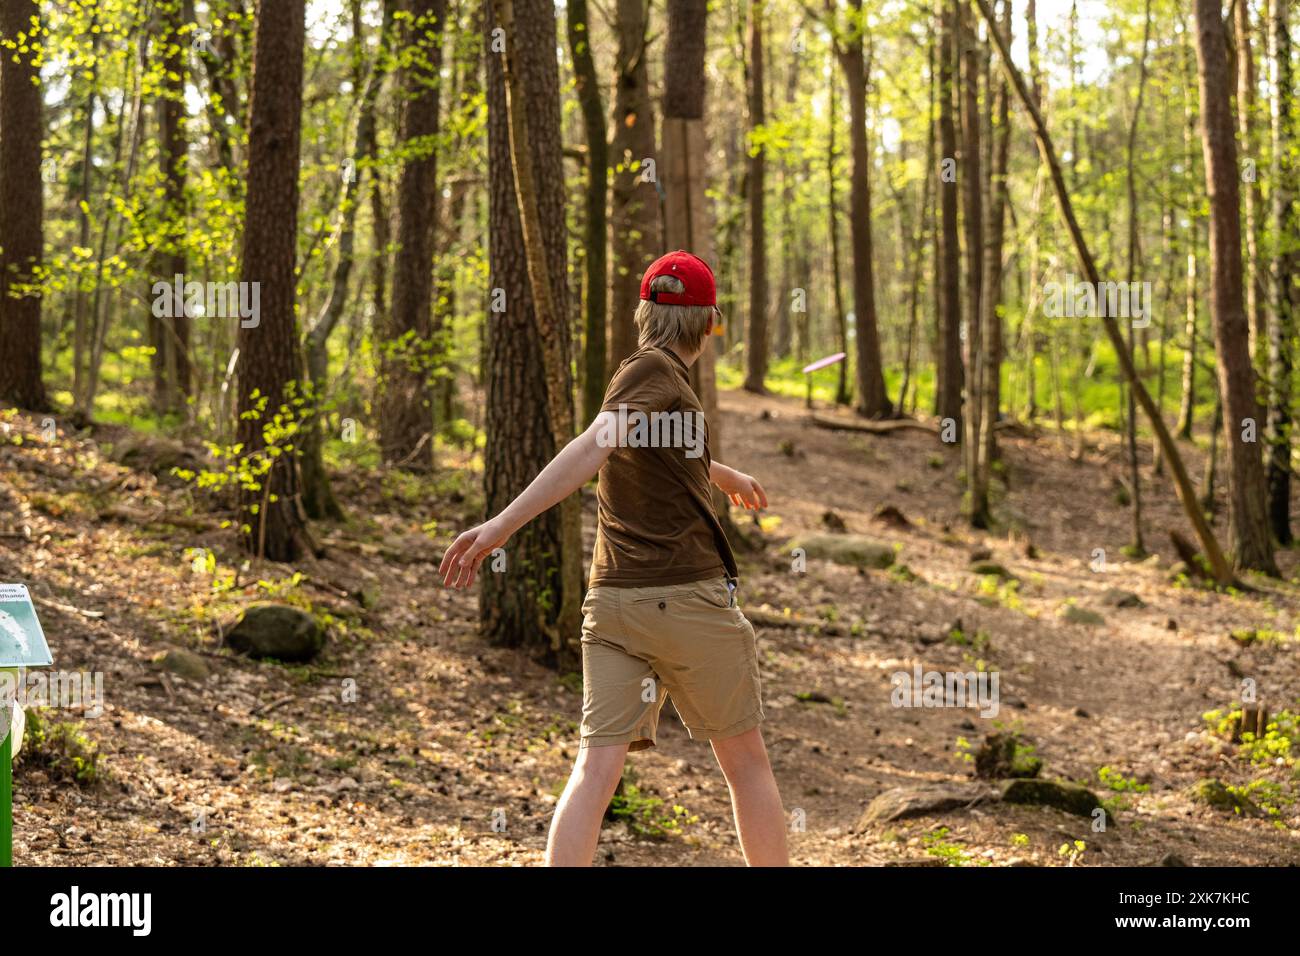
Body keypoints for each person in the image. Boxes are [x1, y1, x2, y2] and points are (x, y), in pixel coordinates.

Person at [441, 250, 787, 866]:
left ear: (644, 313)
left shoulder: (657, 380)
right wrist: (501, 526)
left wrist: (721, 473)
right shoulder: (653, 372)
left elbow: (648, 452)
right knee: (747, 766)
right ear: (708, 323)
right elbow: (594, 446)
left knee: (595, 772)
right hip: (686, 600)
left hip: (617, 607)